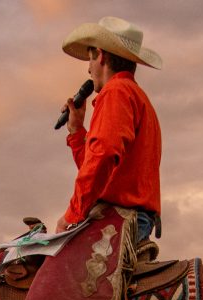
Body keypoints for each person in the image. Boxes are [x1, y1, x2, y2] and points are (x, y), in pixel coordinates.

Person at [56, 17, 162, 246]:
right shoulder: (136, 96)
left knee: (54, 278)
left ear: (100, 55)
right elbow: (97, 165)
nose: (88, 67)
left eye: (90, 58)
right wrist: (76, 131)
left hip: (120, 218)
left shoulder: (116, 92)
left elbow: (103, 155)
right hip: (129, 217)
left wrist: (72, 214)